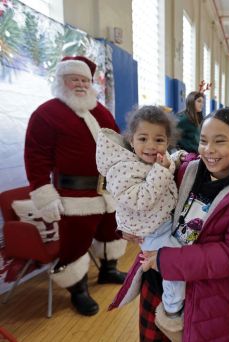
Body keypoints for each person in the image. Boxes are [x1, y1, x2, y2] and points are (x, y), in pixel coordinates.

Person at [110, 108, 229, 341]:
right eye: (203, 141)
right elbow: (144, 198)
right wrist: (126, 225)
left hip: (204, 299)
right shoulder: (186, 169)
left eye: (220, 142)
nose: (209, 150)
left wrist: (167, 260)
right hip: (156, 282)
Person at [24, 56, 127, 316]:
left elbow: (117, 144)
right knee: (76, 243)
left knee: (110, 231)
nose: (80, 84)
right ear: (62, 82)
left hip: (107, 191)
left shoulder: (101, 111)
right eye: (74, 80)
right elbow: (36, 158)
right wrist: (44, 195)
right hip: (73, 195)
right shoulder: (46, 114)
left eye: (84, 80)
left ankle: (108, 270)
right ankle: (77, 290)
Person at [96, 106, 187, 334]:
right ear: (131, 139)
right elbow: (140, 198)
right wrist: (163, 170)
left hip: (160, 225)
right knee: (176, 264)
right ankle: (172, 310)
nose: (151, 146)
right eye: (143, 138)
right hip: (152, 232)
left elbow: (160, 167)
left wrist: (175, 158)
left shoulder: (150, 161)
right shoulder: (120, 169)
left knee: (181, 254)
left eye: (159, 139)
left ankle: (162, 282)